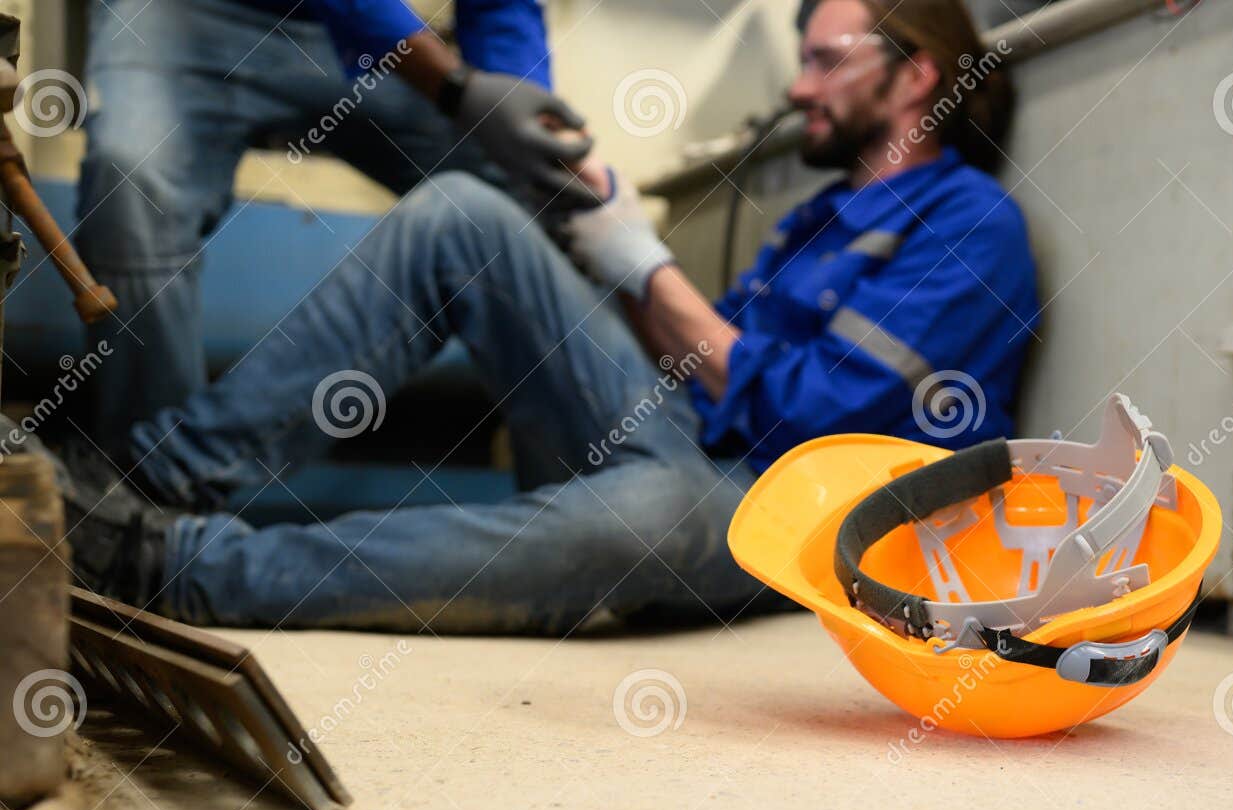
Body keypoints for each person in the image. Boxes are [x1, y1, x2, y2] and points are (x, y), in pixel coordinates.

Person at [34, 0, 1038, 636]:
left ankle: (181, 569)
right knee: (466, 214)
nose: (795, 85)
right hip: (694, 441)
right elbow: (709, 372)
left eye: (824, 60)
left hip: (795, 517)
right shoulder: (816, 222)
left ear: (914, 75)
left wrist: (644, 267)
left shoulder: (971, 228)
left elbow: (820, 427)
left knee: (656, 518)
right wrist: (600, 246)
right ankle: (134, 493)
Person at [75, 0, 594, 441]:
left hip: (338, 32)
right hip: (181, 15)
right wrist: (455, 86)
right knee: (131, 179)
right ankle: (142, 508)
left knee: (545, 190)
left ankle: (587, 508)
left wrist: (523, 107)